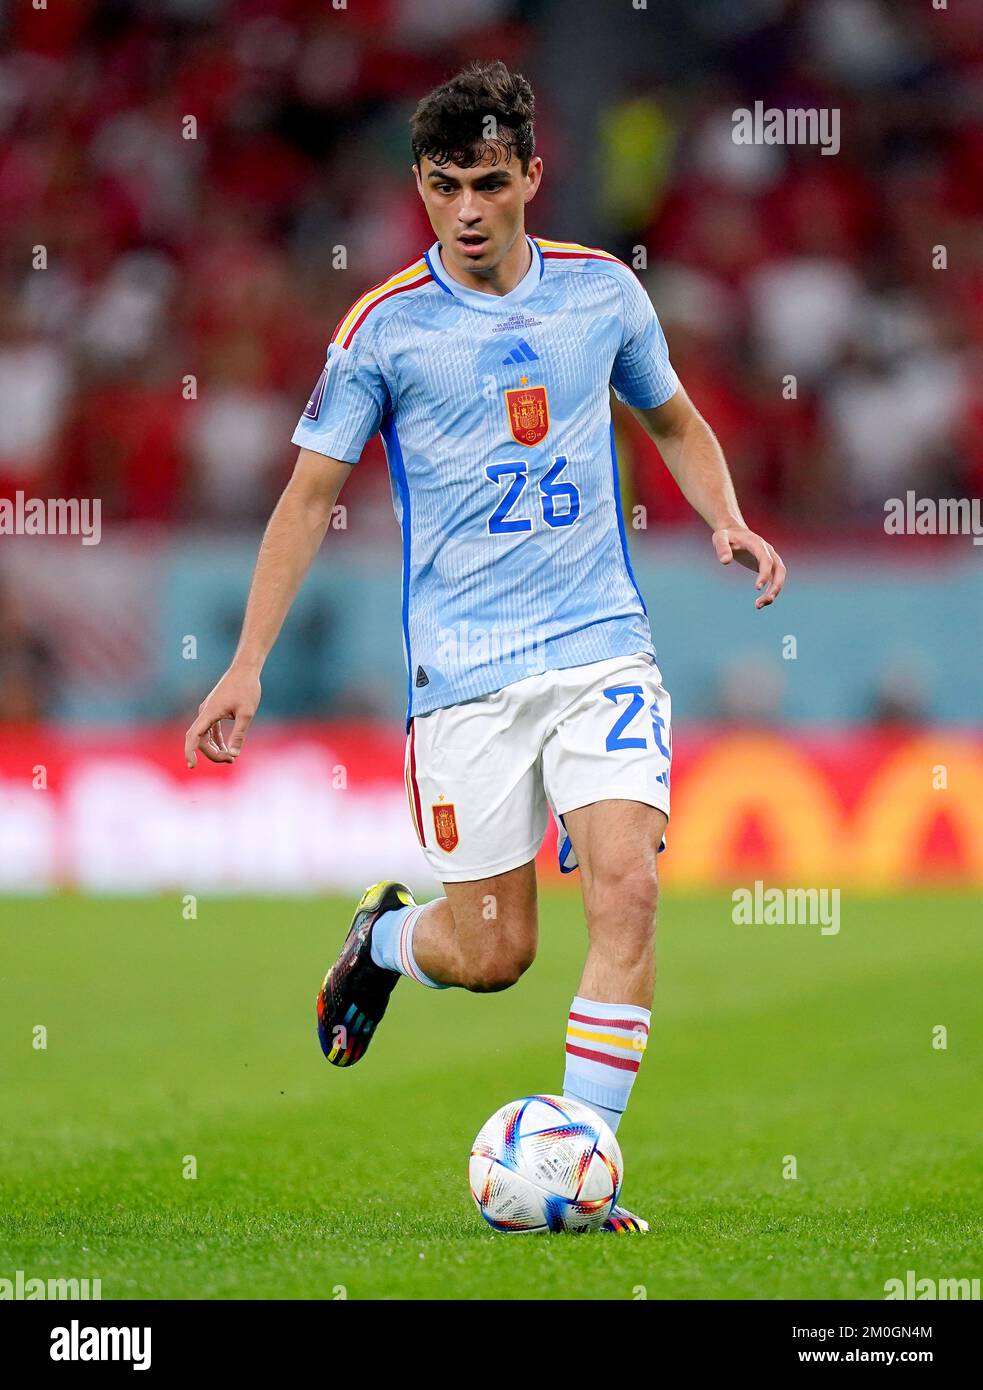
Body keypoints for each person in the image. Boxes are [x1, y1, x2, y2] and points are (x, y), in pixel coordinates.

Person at [184, 60, 786, 1233]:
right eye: (445, 185)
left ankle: (585, 1159)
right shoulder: (382, 330)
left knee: (628, 885)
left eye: (490, 184)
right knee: (494, 948)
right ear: (419, 182)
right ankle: (388, 938)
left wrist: (721, 513)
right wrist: (247, 659)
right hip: (463, 677)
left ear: (531, 180)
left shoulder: (604, 295)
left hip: (599, 644)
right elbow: (308, 497)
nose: (466, 210)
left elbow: (670, 415)